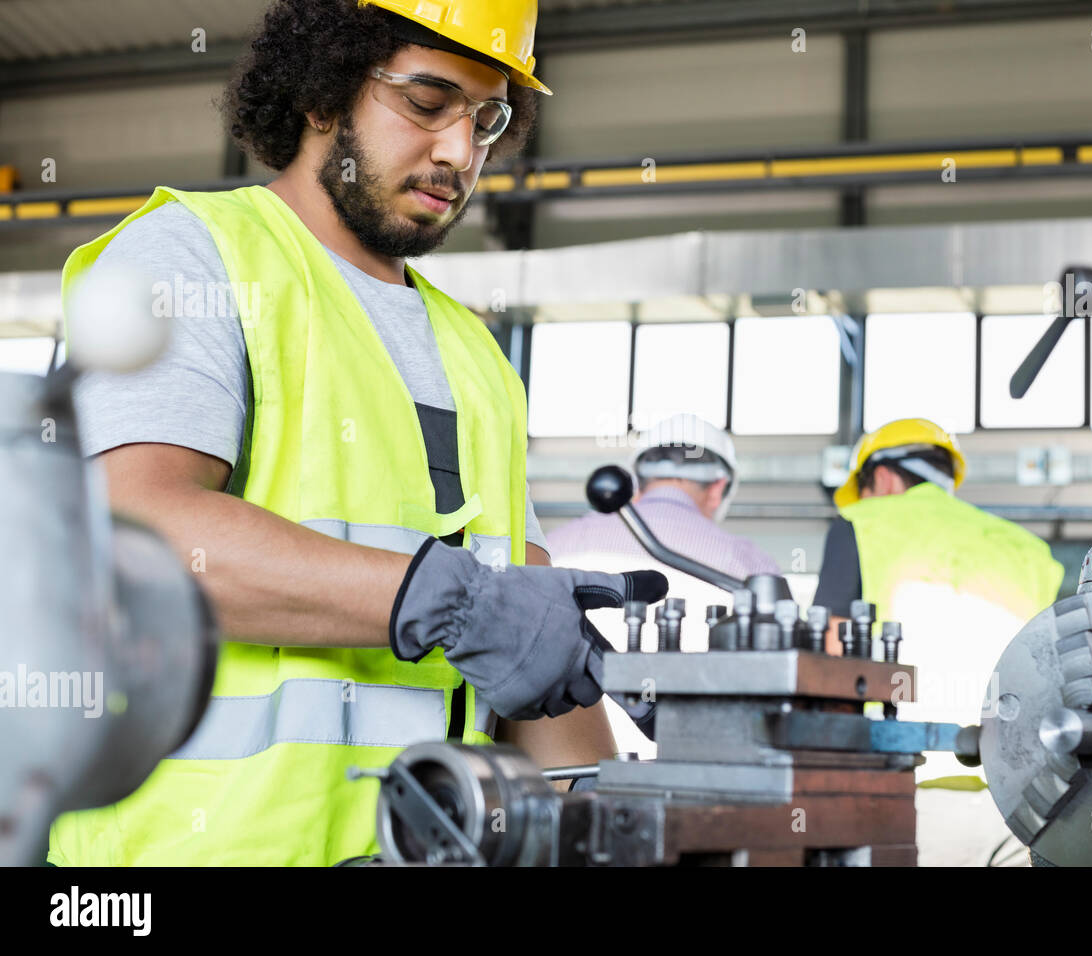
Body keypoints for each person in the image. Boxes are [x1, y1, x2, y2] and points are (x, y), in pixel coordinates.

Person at [48, 0, 666, 866]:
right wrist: (453, 604)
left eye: (485, 120)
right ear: (322, 93)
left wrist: (610, 814)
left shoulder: (475, 353)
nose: (459, 152)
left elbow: (524, 634)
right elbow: (138, 537)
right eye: (425, 101)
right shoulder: (192, 258)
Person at [814, 417, 1064, 866]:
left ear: (884, 478)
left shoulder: (860, 524)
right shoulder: (1026, 550)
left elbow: (828, 652)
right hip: (1022, 798)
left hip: (909, 785)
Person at [547, 414, 781, 755]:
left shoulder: (556, 544)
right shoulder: (752, 567)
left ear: (635, 484)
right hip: (697, 769)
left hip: (557, 770)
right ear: (718, 488)